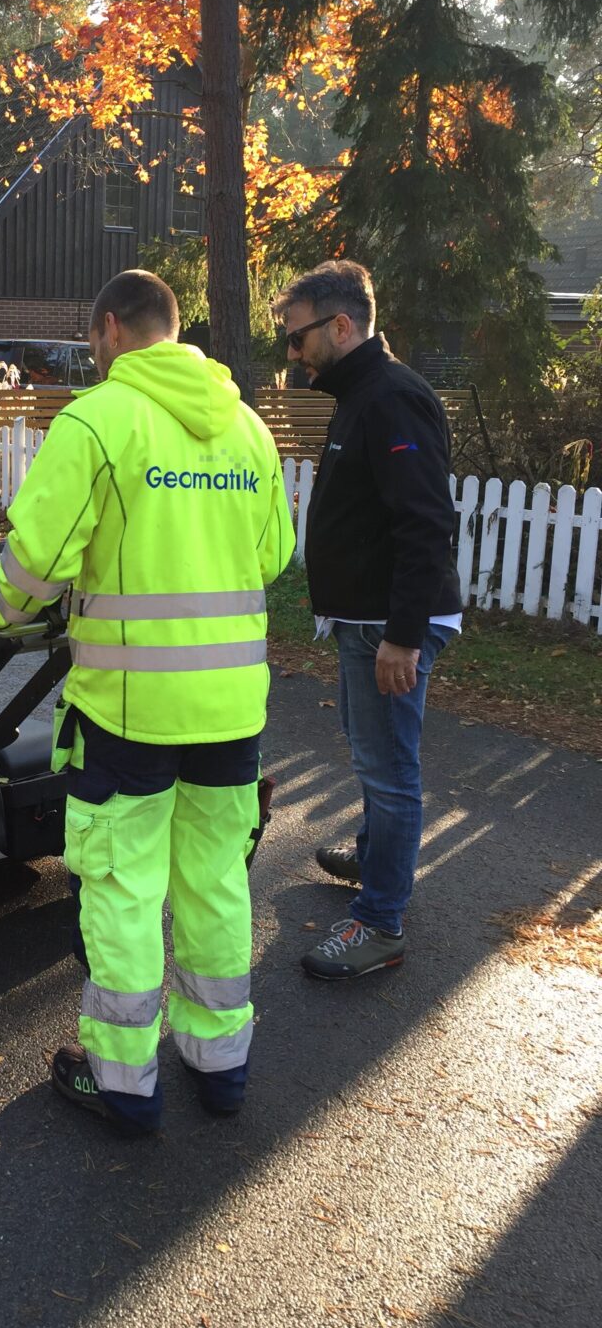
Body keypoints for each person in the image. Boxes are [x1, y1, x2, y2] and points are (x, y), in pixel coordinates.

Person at [0, 270, 295, 1137]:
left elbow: (35, 565)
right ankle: (222, 1066)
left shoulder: (97, 421)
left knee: (123, 888)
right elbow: (273, 557)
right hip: (231, 711)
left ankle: (124, 1083)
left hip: (131, 715)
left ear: (109, 329)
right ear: (175, 331)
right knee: (215, 884)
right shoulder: (247, 430)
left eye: (92, 337)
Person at [272, 261, 462, 980]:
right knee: (370, 754)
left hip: (390, 623)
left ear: (341, 325)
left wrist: (403, 636)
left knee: (389, 771)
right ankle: (378, 852)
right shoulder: (361, 395)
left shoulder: (391, 397)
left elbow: (425, 522)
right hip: (366, 619)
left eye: (299, 337)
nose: (294, 352)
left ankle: (380, 922)